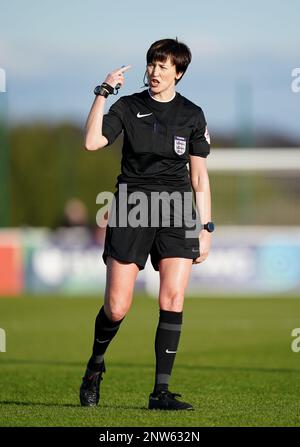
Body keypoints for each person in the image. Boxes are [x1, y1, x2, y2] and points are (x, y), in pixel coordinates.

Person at [80, 38, 214, 411]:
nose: (154, 72)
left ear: (179, 73)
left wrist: (206, 227)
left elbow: (200, 178)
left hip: (176, 210)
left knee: (172, 298)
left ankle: (160, 392)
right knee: (117, 307)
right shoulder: (128, 105)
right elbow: (92, 142)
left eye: (163, 66)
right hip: (132, 207)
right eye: (152, 65)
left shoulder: (192, 114)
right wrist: (103, 92)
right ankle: (94, 366)